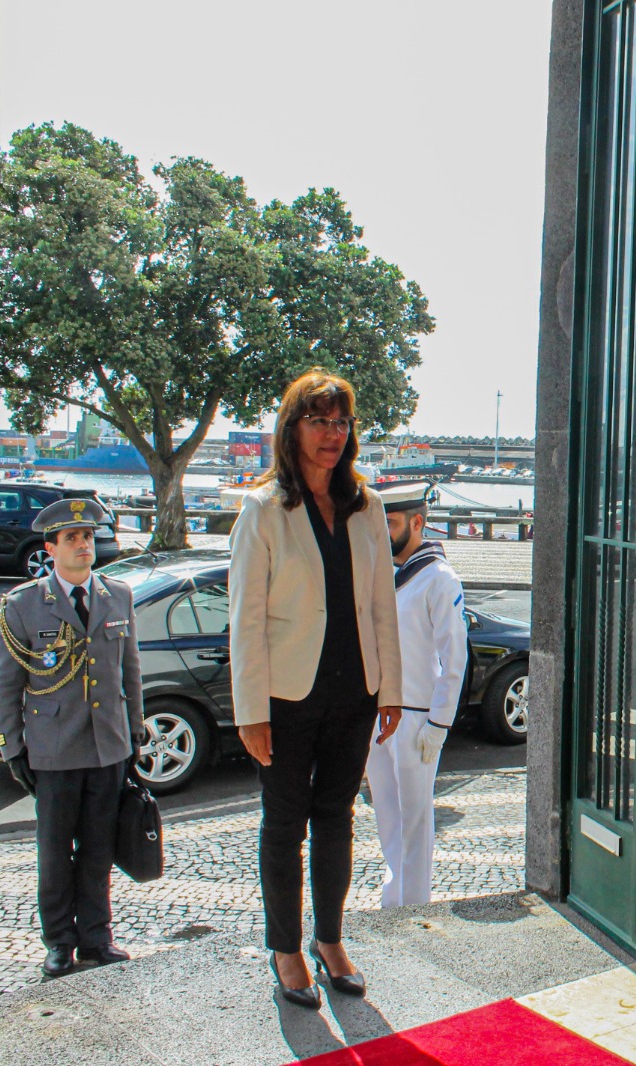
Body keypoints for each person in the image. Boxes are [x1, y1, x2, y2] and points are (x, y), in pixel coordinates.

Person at [229, 369, 404, 1009]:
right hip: (285, 696)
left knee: (336, 817)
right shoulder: (264, 509)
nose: (332, 433)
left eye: (341, 421)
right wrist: (249, 711)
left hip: (354, 691)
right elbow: (245, 619)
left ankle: (331, 940)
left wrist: (391, 691)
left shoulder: (368, 507)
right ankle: (286, 948)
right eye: (319, 420)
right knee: (284, 824)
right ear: (292, 427)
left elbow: (382, 604)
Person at [0, 496, 143, 978]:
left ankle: (97, 938)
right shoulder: (24, 604)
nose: (83, 545)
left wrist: (134, 730)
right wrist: (14, 747)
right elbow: (7, 683)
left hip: (107, 745)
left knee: (99, 847)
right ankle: (58, 941)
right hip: (54, 748)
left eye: (88, 536)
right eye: (71, 538)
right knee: (56, 852)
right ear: (50, 548)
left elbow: (130, 671)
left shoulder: (117, 595)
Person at [366, 480, 469, 908]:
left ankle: (414, 906)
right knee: (388, 817)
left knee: (414, 821)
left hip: (417, 718)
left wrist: (438, 724)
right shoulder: (386, 574)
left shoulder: (439, 579)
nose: (383, 533)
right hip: (379, 715)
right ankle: (395, 901)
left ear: (417, 522)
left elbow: (454, 658)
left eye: (389, 524)